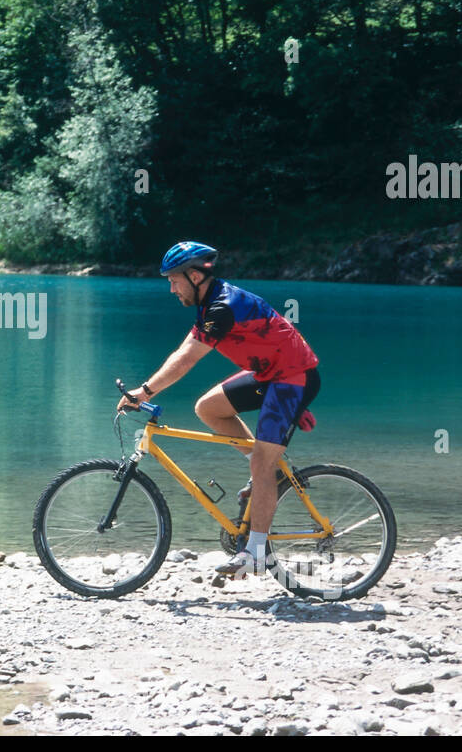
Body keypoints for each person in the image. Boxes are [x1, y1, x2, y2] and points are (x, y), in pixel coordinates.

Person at [116, 241, 320, 578]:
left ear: (195, 276)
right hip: (271, 374)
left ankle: (256, 552)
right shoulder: (211, 302)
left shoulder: (223, 306)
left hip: (292, 377)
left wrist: (146, 391)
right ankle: (271, 473)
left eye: (174, 280)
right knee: (208, 408)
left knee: (260, 462)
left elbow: (186, 359)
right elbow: (184, 348)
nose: (171, 288)